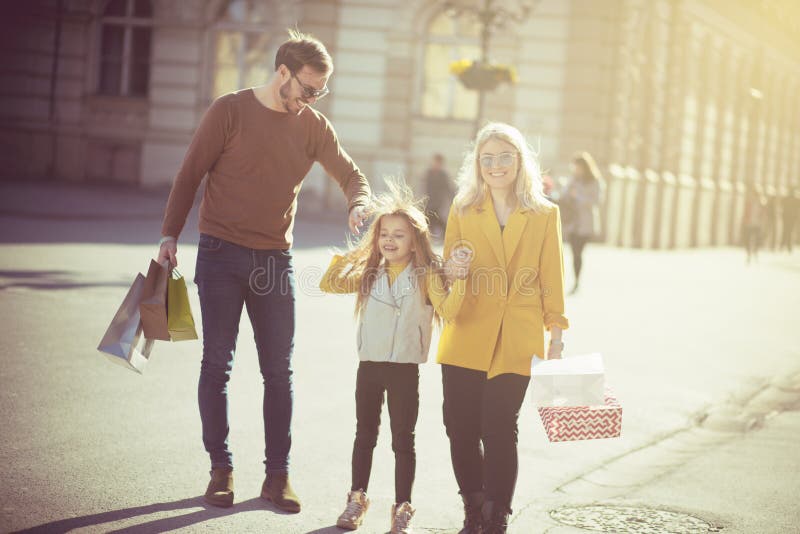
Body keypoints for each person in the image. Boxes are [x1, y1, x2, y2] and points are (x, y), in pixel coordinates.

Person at [156, 30, 371, 511]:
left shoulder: (313, 125)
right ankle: (221, 468)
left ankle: (277, 477)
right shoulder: (228, 111)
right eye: (309, 89)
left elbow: (351, 174)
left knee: (279, 372)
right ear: (283, 74)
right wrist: (170, 234)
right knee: (217, 365)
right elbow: (190, 173)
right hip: (219, 254)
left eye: (321, 91)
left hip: (273, 260)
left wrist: (357, 204)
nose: (314, 99)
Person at [437, 123, 569, 534]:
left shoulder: (545, 213)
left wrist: (557, 335)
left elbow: (552, 276)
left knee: (498, 425)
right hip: (467, 331)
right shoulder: (462, 208)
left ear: (520, 161)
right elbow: (446, 271)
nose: (496, 166)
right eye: (487, 158)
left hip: (517, 335)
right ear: (478, 165)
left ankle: (497, 515)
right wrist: (453, 269)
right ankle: (473, 508)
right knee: (459, 426)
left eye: (505, 157)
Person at [319, 179, 466, 534]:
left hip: (403, 369)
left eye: (399, 235)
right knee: (364, 435)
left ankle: (402, 508)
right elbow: (330, 283)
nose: (389, 240)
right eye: (384, 233)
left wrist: (458, 280)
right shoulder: (370, 273)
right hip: (369, 366)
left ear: (415, 240)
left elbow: (449, 309)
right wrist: (357, 253)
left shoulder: (427, 275)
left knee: (403, 439)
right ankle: (357, 499)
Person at [561, 152, 603, 294]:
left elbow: (596, 201)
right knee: (574, 252)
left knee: (578, 252)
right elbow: (565, 194)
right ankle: (575, 281)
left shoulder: (595, 181)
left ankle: (577, 280)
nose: (576, 170)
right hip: (573, 222)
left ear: (585, 167)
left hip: (586, 223)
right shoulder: (573, 180)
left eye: (578, 167)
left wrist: (578, 197)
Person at [423, 153, 456, 237]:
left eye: (438, 162)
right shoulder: (428, 173)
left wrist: (453, 200)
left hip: (438, 202)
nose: (436, 164)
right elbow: (424, 187)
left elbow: (449, 189)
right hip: (429, 201)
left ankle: (447, 234)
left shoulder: (443, 175)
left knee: (437, 218)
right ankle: (427, 235)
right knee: (429, 218)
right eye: (435, 162)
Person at [742, 186, 766, 264]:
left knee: (757, 240)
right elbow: (745, 212)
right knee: (748, 239)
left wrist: (762, 222)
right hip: (749, 223)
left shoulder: (762, 203)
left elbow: (763, 214)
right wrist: (745, 220)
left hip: (757, 224)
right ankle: (749, 254)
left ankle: (755, 253)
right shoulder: (749, 202)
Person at [780, 188, 799, 253]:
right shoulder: (795, 199)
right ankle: (787, 246)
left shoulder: (787, 198)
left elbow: (781, 205)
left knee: (786, 231)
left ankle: (784, 245)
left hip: (787, 217)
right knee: (789, 232)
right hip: (791, 218)